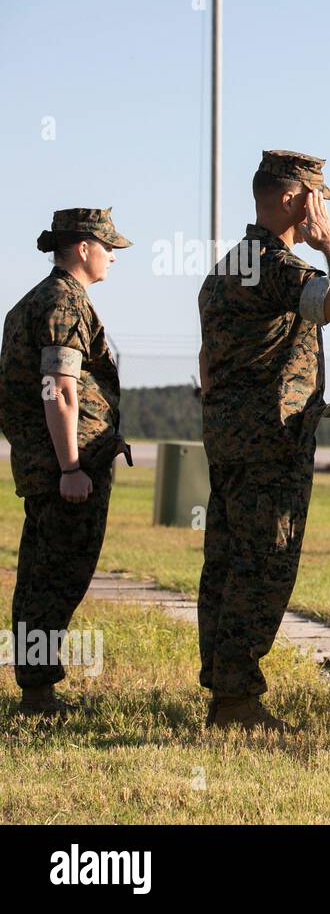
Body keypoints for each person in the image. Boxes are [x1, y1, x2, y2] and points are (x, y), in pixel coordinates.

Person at [197, 150, 330, 730]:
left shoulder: (227, 265)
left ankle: (224, 683)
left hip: (231, 439)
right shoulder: (272, 264)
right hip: (271, 443)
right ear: (296, 200)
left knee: (225, 557)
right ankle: (237, 697)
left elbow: (206, 362)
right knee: (264, 560)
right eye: (317, 201)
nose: (321, 210)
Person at [0, 208, 132, 715]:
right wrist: (72, 468)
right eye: (108, 247)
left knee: (43, 574)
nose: (113, 255)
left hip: (50, 463)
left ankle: (37, 689)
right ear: (83, 248)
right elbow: (58, 391)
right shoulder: (63, 302)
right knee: (55, 576)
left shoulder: (39, 299)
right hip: (64, 469)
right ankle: (37, 695)